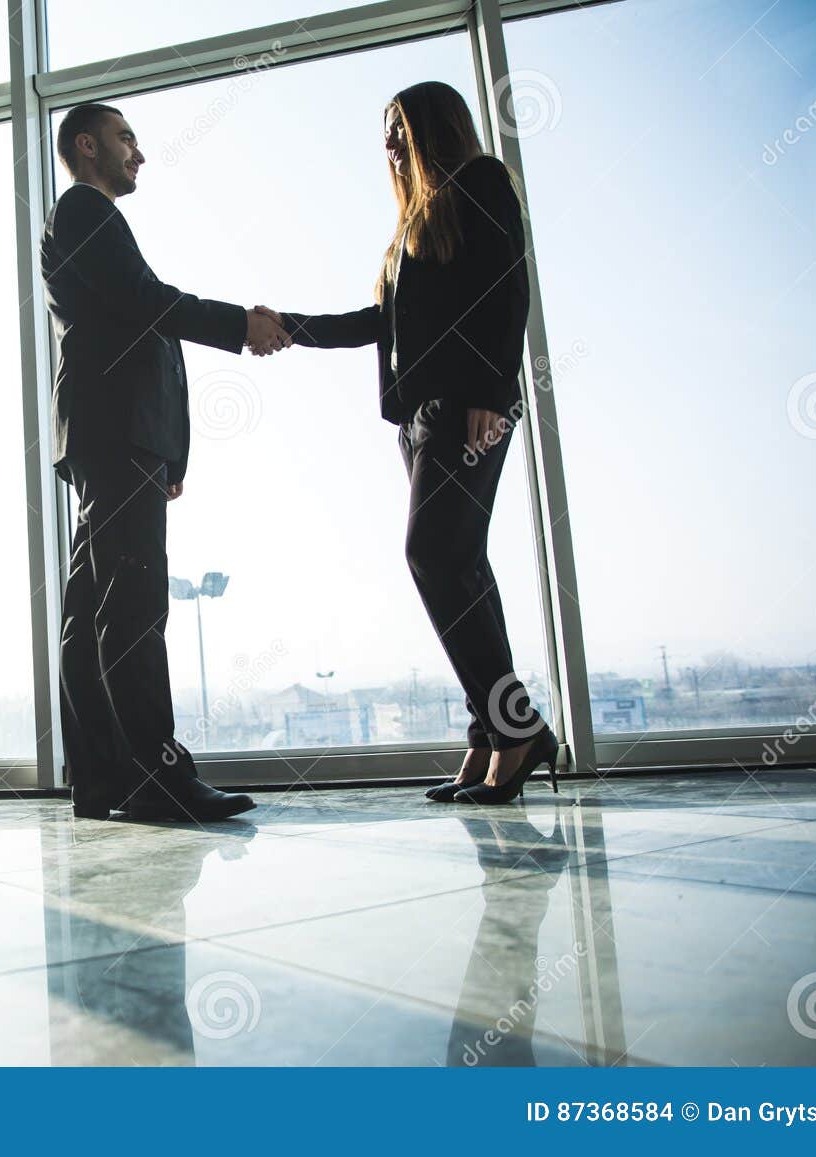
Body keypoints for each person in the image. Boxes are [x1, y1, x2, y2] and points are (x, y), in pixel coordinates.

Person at [258, 81, 558, 805]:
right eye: (385, 132)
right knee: (461, 565)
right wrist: (288, 326)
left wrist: (491, 390)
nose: (389, 144)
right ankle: (494, 733)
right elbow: (376, 324)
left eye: (398, 128)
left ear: (433, 127)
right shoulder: (408, 232)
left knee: (431, 552)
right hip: (419, 420)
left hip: (468, 408)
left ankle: (516, 731)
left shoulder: (482, 181)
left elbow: (507, 287)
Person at [42, 102, 288, 821]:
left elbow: (131, 319)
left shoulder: (89, 220)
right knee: (135, 606)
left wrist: (167, 450)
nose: (139, 154)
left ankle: (107, 780)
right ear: (87, 146)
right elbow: (147, 305)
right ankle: (158, 776)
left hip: (119, 436)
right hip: (117, 434)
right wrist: (237, 324)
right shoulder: (85, 212)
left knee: (94, 612)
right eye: (126, 140)